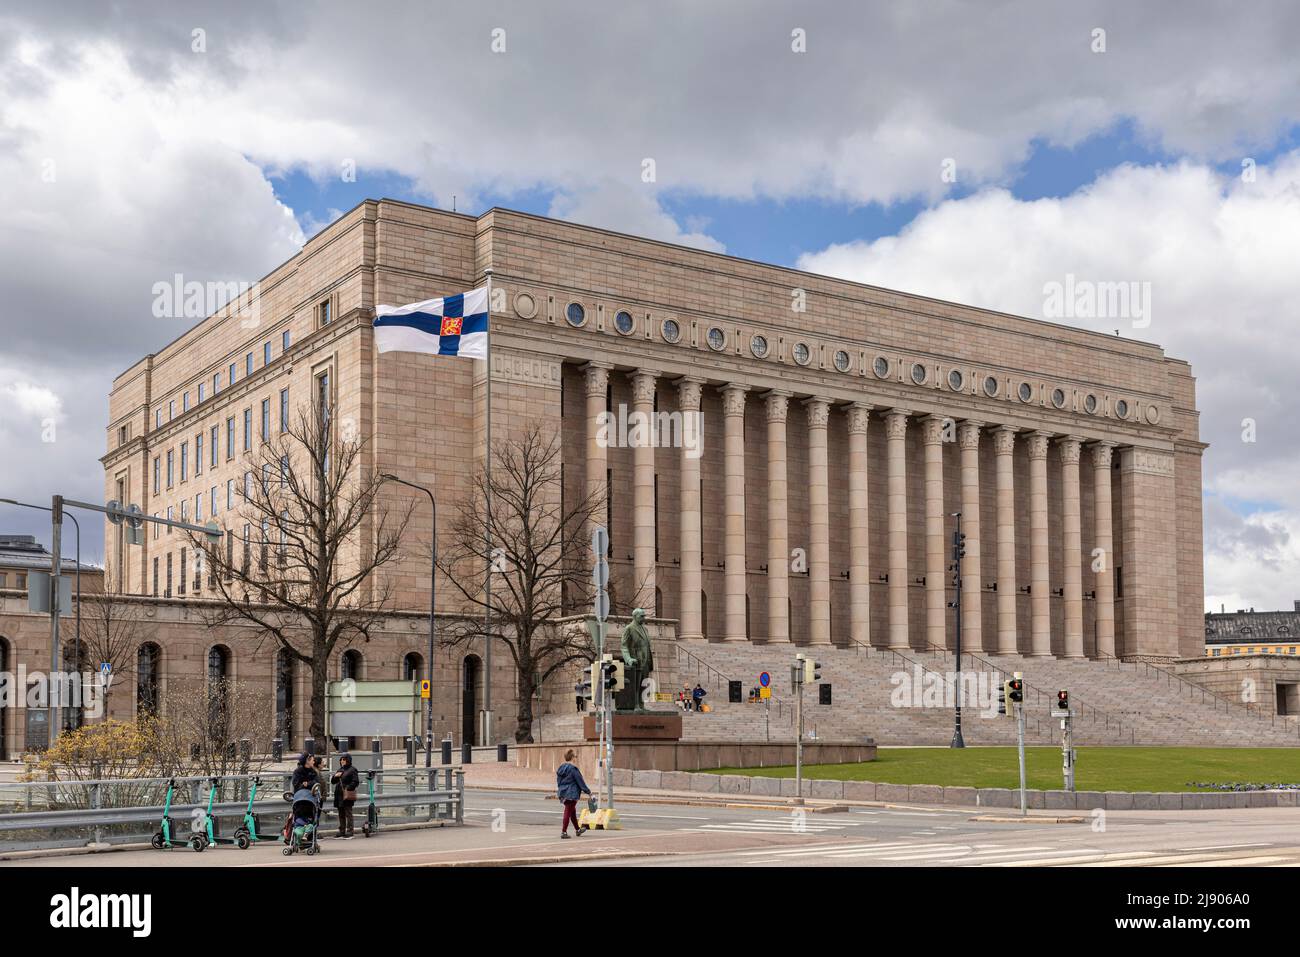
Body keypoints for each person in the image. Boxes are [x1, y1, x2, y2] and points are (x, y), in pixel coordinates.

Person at [556, 749, 591, 839]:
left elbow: (558, 781)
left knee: (572, 812)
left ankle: (577, 829)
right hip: (571, 793)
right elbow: (580, 781)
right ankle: (564, 832)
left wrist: (561, 790)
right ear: (572, 757)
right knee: (568, 811)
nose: (576, 758)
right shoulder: (573, 769)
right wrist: (588, 792)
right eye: (575, 756)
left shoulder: (561, 768)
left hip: (563, 792)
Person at [332, 753, 360, 839]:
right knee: (341, 813)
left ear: (348, 760)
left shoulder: (352, 770)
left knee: (348, 812)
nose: (342, 761)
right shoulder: (340, 769)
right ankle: (342, 831)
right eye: (341, 760)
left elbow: (355, 782)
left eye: (344, 759)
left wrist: (348, 787)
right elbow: (333, 781)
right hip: (339, 794)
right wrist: (335, 776)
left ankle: (350, 831)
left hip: (347, 794)